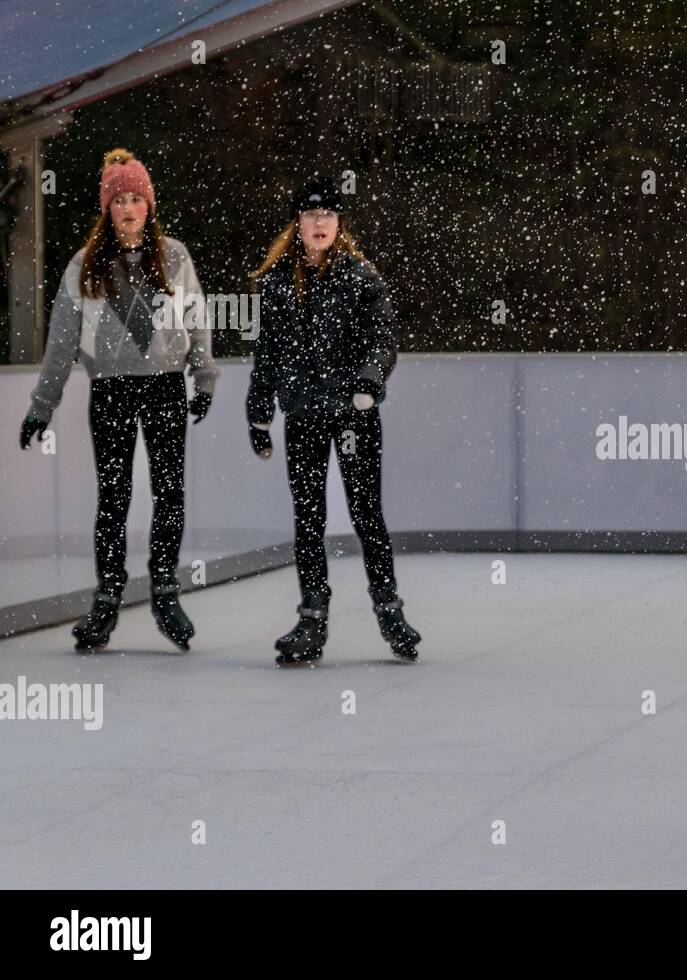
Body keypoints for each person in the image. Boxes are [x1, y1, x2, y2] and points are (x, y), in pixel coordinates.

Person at [17, 148, 218, 651]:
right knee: (114, 497)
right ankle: (107, 598)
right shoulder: (85, 266)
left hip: (165, 386)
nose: (128, 208)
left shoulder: (174, 256)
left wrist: (204, 376)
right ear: (106, 210)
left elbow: (196, 319)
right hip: (110, 391)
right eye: (119, 200)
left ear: (149, 206)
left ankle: (166, 590)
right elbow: (62, 340)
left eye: (137, 198)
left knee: (169, 492)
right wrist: (42, 404)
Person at [246, 174, 420, 666]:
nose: (318, 223)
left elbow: (382, 339)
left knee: (367, 515)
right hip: (302, 417)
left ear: (339, 222)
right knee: (309, 519)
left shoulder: (362, 278)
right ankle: (312, 620)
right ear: (297, 223)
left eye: (326, 215)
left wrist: (368, 383)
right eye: (309, 215)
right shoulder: (279, 282)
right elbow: (268, 354)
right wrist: (258, 414)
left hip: (351, 419)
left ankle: (389, 612)